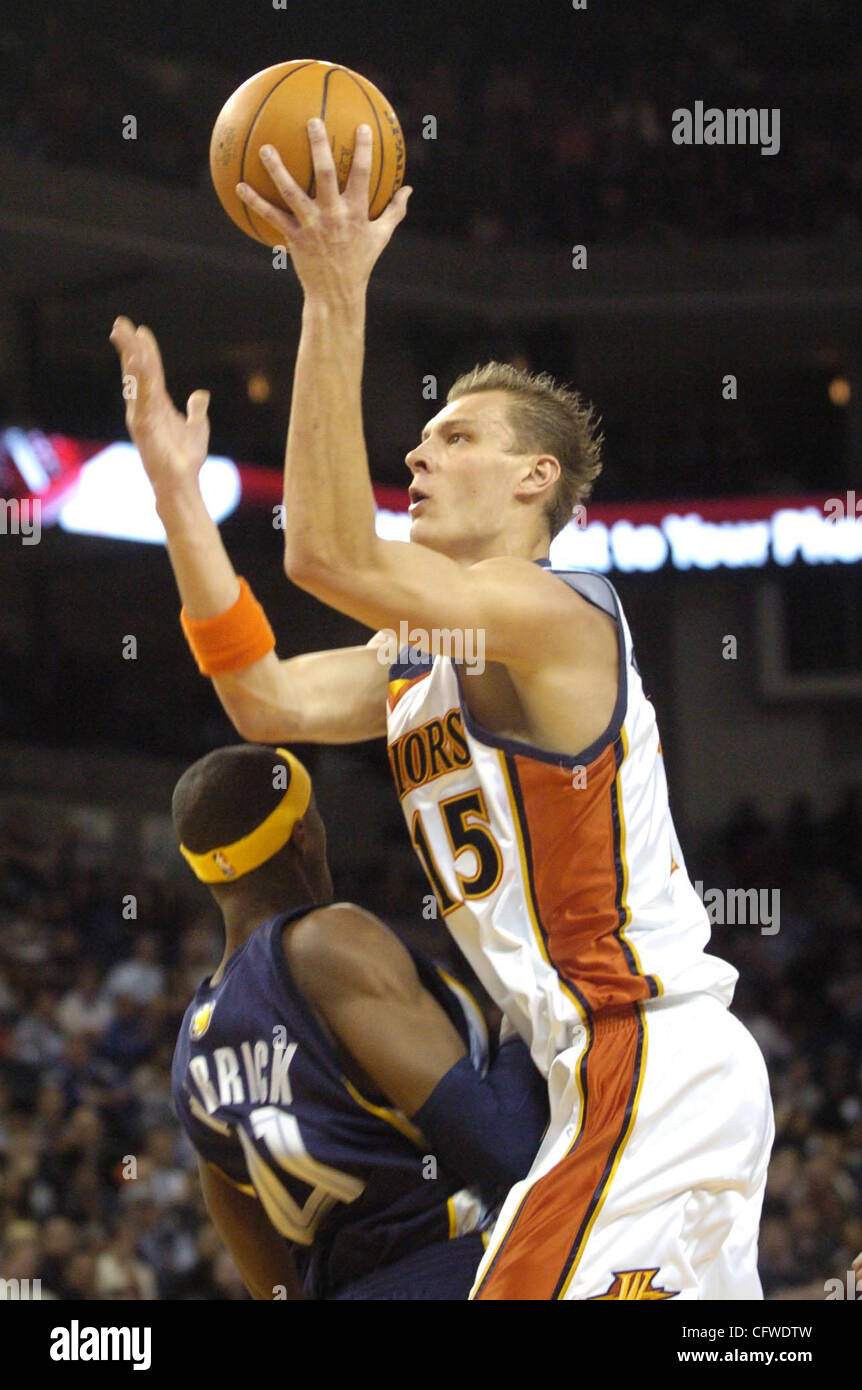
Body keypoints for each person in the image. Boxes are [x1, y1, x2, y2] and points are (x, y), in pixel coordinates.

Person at [110, 121, 773, 1300]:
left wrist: (331, 290)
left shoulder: (552, 617)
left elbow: (322, 549)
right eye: (417, 436)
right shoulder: (426, 654)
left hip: (642, 1054)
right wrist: (178, 500)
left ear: (537, 481)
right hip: (578, 1069)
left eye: (452, 438)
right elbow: (260, 697)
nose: (416, 454)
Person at [169, 742, 548, 1301]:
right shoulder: (325, 942)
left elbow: (273, 1285)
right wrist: (528, 1005)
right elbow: (507, 1146)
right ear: (303, 833)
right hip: (457, 1269)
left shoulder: (190, 1055)